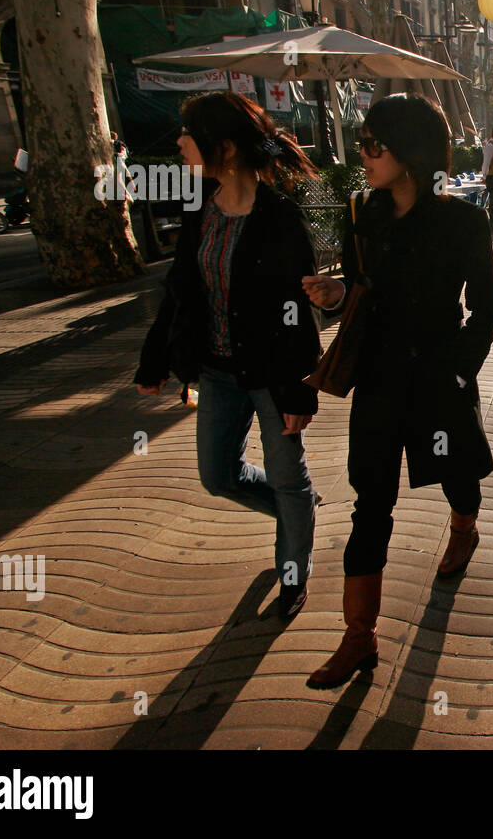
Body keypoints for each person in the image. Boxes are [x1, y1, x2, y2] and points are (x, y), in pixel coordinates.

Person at [301, 93, 493, 691]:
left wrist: (462, 369)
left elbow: (486, 309)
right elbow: (361, 290)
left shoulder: (464, 220)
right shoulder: (363, 211)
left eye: (372, 146)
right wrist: (336, 296)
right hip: (381, 379)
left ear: (408, 151)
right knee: (371, 502)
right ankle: (358, 636)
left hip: (440, 376)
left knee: (456, 473)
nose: (360, 155)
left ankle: (464, 527)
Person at [134, 91, 321, 619]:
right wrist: (154, 362)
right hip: (216, 371)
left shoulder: (279, 217)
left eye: (190, 133)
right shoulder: (198, 210)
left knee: (288, 477)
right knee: (218, 475)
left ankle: (292, 572)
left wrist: (300, 388)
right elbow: (180, 291)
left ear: (228, 150)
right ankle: (298, 514)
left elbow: (297, 307)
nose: (179, 142)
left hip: (271, 374)